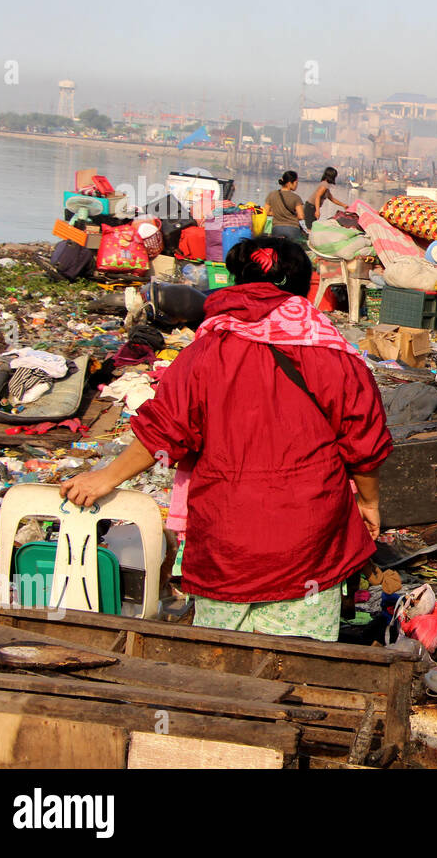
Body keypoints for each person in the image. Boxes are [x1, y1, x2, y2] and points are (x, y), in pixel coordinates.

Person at [60, 237, 392, 641]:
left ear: (235, 283)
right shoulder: (334, 354)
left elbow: (164, 432)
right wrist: (368, 501)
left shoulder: (203, 352)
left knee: (222, 667)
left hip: (226, 546)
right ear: (304, 288)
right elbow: (364, 442)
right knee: (299, 667)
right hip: (310, 544)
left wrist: (105, 478)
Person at [265, 171, 306, 242]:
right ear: (290, 183)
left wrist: (278, 213)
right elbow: (301, 216)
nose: (297, 185)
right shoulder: (296, 198)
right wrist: (290, 216)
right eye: (296, 182)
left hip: (277, 229)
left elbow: (265, 212)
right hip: (293, 229)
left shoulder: (272, 194)